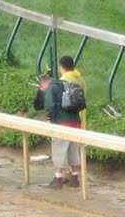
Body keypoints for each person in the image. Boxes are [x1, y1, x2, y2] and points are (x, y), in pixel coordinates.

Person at [34, 55, 87, 187]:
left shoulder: (51, 88)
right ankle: (74, 179)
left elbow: (50, 106)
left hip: (62, 123)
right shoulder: (68, 82)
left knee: (59, 150)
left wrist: (49, 117)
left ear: (43, 84)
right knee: (73, 151)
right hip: (76, 121)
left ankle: (58, 179)